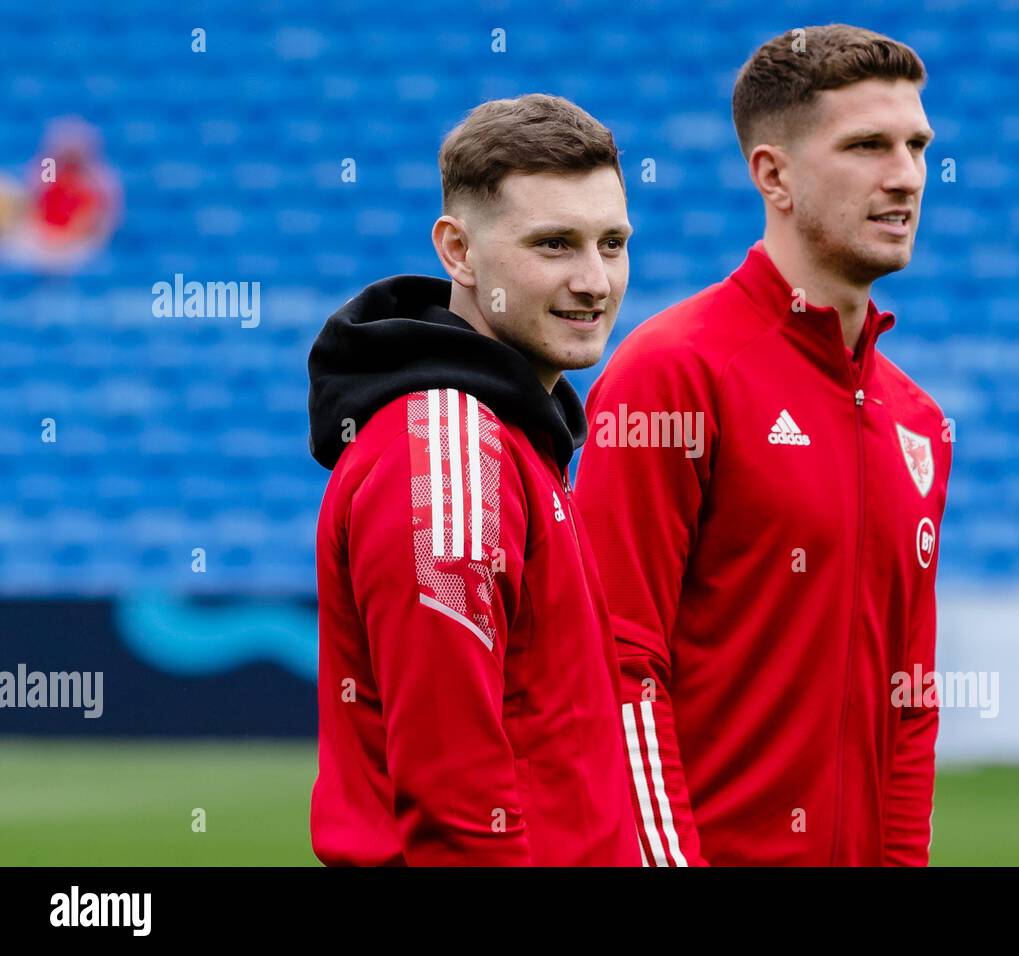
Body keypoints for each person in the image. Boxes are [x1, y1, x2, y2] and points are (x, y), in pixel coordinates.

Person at [575, 25, 952, 865]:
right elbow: (619, 672)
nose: (906, 176)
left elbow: (910, 697)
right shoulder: (670, 375)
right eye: (866, 146)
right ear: (773, 175)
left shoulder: (918, 422)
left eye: (917, 146)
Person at [308, 94, 641, 865]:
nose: (595, 280)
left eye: (613, 243)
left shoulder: (510, 437)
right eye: (555, 244)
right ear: (458, 252)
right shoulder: (447, 450)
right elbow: (456, 797)